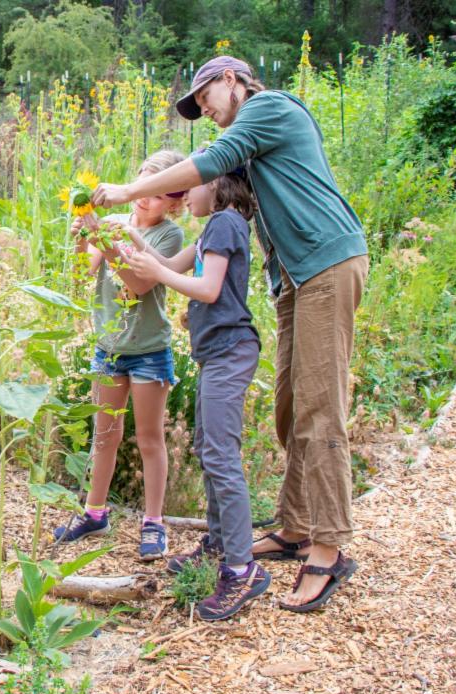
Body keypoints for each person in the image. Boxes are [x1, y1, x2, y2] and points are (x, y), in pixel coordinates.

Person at [91, 56, 368, 612]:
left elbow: (209, 165)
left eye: (206, 101)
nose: (207, 115)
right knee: (291, 409)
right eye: (197, 111)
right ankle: (294, 526)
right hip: (294, 279)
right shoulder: (247, 135)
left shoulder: (268, 107)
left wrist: (127, 190)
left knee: (320, 408)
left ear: (230, 81)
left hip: (326, 263)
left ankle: (330, 544)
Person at [125, 164, 270, 620]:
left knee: (221, 456)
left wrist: (158, 273)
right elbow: (166, 266)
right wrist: (121, 238)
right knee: (210, 450)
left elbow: (207, 290)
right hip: (217, 352)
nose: (186, 195)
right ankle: (219, 543)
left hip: (230, 349)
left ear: (220, 183)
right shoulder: (214, 227)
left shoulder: (227, 222)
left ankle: (242, 569)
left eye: (195, 185)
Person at [54, 150, 186, 562]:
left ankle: (153, 522)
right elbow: (82, 273)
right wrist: (81, 236)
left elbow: (139, 282)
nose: (145, 199)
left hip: (148, 350)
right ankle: (95, 512)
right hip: (109, 348)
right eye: (143, 185)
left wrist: (104, 239)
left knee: (149, 439)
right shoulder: (119, 224)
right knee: (104, 436)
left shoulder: (167, 236)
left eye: (159, 193)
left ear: (174, 203)